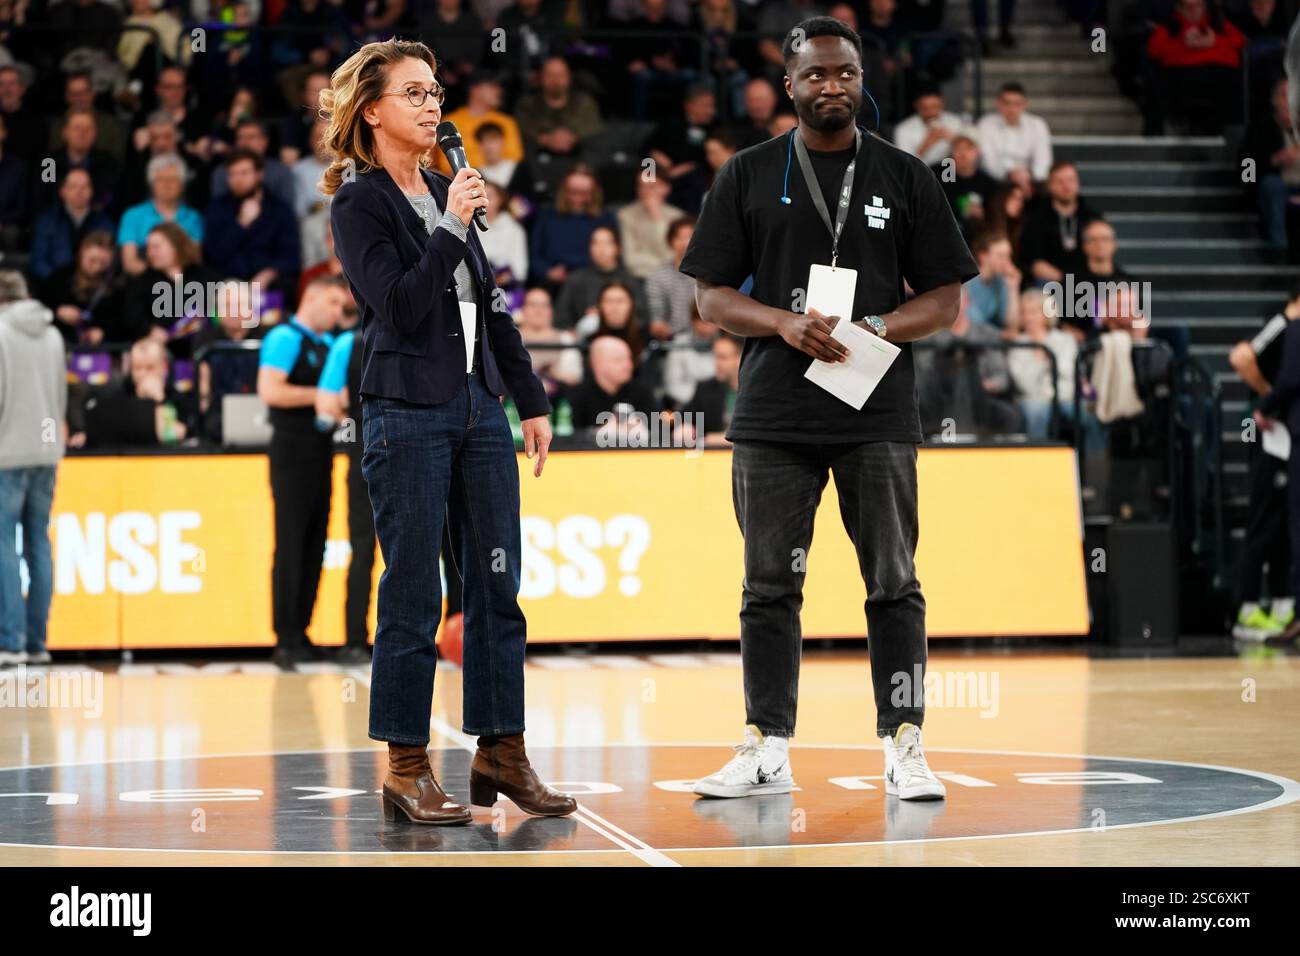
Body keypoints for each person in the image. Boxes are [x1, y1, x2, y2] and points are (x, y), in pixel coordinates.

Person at [680, 17, 978, 801]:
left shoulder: (906, 175)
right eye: (815, 75)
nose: (832, 86)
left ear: (861, 76)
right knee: (768, 587)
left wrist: (875, 323)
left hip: (875, 408)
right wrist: (782, 321)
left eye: (844, 72)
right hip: (774, 416)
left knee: (894, 582)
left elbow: (945, 300)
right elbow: (710, 297)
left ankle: (905, 744)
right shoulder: (746, 173)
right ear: (790, 85)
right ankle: (766, 743)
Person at [322, 39, 576, 824]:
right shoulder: (358, 202)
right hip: (404, 409)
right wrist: (448, 226)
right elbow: (398, 305)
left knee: (498, 584)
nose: (433, 105)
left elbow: (489, 302)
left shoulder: (445, 187)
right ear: (372, 111)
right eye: (413, 94)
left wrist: (529, 398)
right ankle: (405, 764)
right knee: (411, 588)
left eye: (436, 92)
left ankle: (502, 751)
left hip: (477, 407)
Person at [256, 275, 347, 670]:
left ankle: (303, 631)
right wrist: (322, 397)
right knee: (291, 540)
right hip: (291, 449)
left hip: (321, 450)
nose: (337, 311)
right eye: (330, 302)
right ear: (308, 297)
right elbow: (271, 391)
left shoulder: (327, 344)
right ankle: (285, 637)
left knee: (316, 541)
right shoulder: (284, 337)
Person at [0, 272, 66, 667]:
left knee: (4, 544)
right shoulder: (53, 334)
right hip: (46, 449)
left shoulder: (1, 333)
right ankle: (39, 642)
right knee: (39, 543)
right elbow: (59, 394)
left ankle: (11, 640)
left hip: (7, 452)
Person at [1228, 288, 1299, 639]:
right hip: (1264, 430)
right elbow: (1240, 357)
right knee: (1263, 517)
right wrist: (1266, 396)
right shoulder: (1283, 322)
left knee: (1286, 519)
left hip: (1284, 431)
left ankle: (1283, 602)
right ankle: (1249, 606)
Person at [315, 293, 377, 666]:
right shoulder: (416, 332)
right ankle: (424, 639)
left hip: (366, 451)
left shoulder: (346, 344)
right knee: (424, 552)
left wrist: (347, 418)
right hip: (411, 451)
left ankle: (355, 641)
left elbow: (326, 403)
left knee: (363, 549)